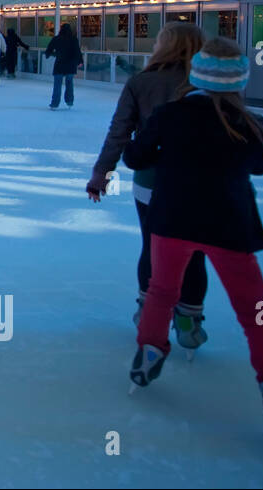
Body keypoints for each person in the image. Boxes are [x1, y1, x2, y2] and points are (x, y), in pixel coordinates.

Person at [123, 37, 263, 455]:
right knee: (257, 314)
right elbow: (260, 166)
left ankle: (150, 348)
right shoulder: (247, 123)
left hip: (171, 221)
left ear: (196, 76)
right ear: (238, 82)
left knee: (161, 290)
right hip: (229, 229)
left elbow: (135, 157)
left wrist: (162, 147)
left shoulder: (170, 115)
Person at [89, 23, 209, 346]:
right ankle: (188, 319)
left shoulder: (142, 82)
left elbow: (119, 132)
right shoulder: (209, 84)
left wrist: (102, 172)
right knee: (195, 251)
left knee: (153, 246)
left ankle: (148, 309)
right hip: (201, 184)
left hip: (151, 181)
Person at [44, 22, 82, 109]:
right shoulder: (73, 39)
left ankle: (54, 103)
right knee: (69, 83)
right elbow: (77, 51)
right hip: (70, 65)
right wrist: (80, 61)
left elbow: (49, 49)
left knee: (57, 84)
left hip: (59, 64)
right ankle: (69, 101)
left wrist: (49, 54)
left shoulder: (57, 39)